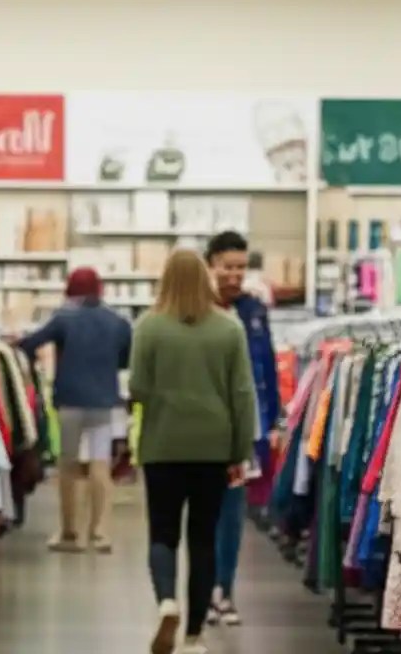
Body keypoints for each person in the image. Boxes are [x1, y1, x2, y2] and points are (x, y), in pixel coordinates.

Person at [130, 249, 257, 654]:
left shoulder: (148, 327)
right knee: (203, 539)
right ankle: (193, 636)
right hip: (214, 449)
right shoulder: (229, 329)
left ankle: (167, 601)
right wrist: (240, 452)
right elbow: (242, 395)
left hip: (162, 446)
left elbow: (137, 389)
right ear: (207, 278)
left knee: (162, 534)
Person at [19, 266, 132, 554]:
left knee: (68, 465)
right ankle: (100, 533)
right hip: (105, 402)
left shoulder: (63, 317)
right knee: (100, 464)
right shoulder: (118, 321)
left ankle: (70, 532)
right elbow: (125, 359)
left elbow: (30, 344)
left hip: (69, 401)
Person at [204, 230, 281, 627]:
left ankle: (224, 591)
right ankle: (203, 589)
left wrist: (274, 421)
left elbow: (266, 364)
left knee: (232, 513)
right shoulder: (198, 310)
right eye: (227, 267)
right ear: (210, 266)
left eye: (240, 267)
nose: (234, 275)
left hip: (246, 430)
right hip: (203, 428)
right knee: (204, 512)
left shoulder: (254, 310)